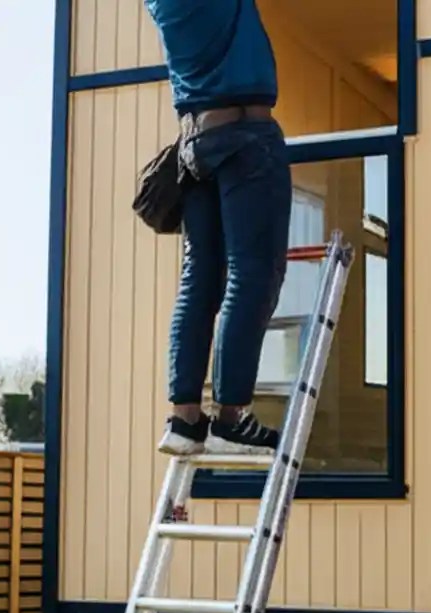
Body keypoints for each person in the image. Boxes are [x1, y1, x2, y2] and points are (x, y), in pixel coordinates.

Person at [144, 0, 291, 456]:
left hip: (197, 144)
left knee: (200, 280)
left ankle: (185, 419)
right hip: (244, 138)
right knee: (254, 274)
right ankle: (230, 418)